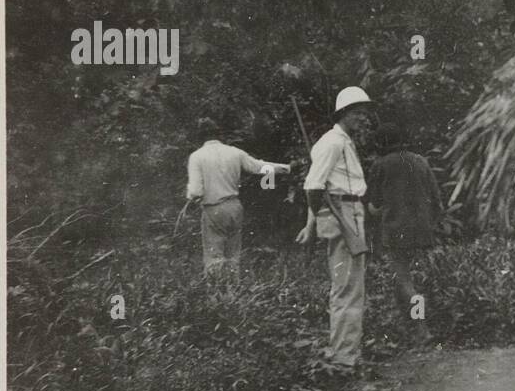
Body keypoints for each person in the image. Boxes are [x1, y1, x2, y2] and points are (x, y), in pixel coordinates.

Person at [295, 87, 375, 372]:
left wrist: (311, 223)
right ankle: (344, 358)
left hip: (349, 210)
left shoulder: (341, 142)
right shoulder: (332, 143)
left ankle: (344, 351)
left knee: (349, 287)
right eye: (357, 113)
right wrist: (323, 219)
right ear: (343, 114)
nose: (362, 118)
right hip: (344, 213)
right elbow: (313, 188)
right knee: (348, 289)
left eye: (364, 113)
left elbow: (319, 187)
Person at [367, 123, 443, 347]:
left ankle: (422, 330)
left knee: (405, 281)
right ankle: (410, 325)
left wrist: (381, 213)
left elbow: (373, 206)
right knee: (413, 280)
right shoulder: (421, 161)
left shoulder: (380, 165)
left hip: (395, 232)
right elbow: (437, 201)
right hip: (423, 230)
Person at [186, 121, 290, 275]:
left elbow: (195, 191)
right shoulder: (235, 152)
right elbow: (260, 167)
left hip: (213, 208)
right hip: (234, 206)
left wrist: (191, 198)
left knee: (214, 255)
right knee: (233, 254)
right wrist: (286, 168)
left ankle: (217, 293)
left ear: (200, 137)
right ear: (219, 134)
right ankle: (233, 289)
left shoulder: (197, 156)